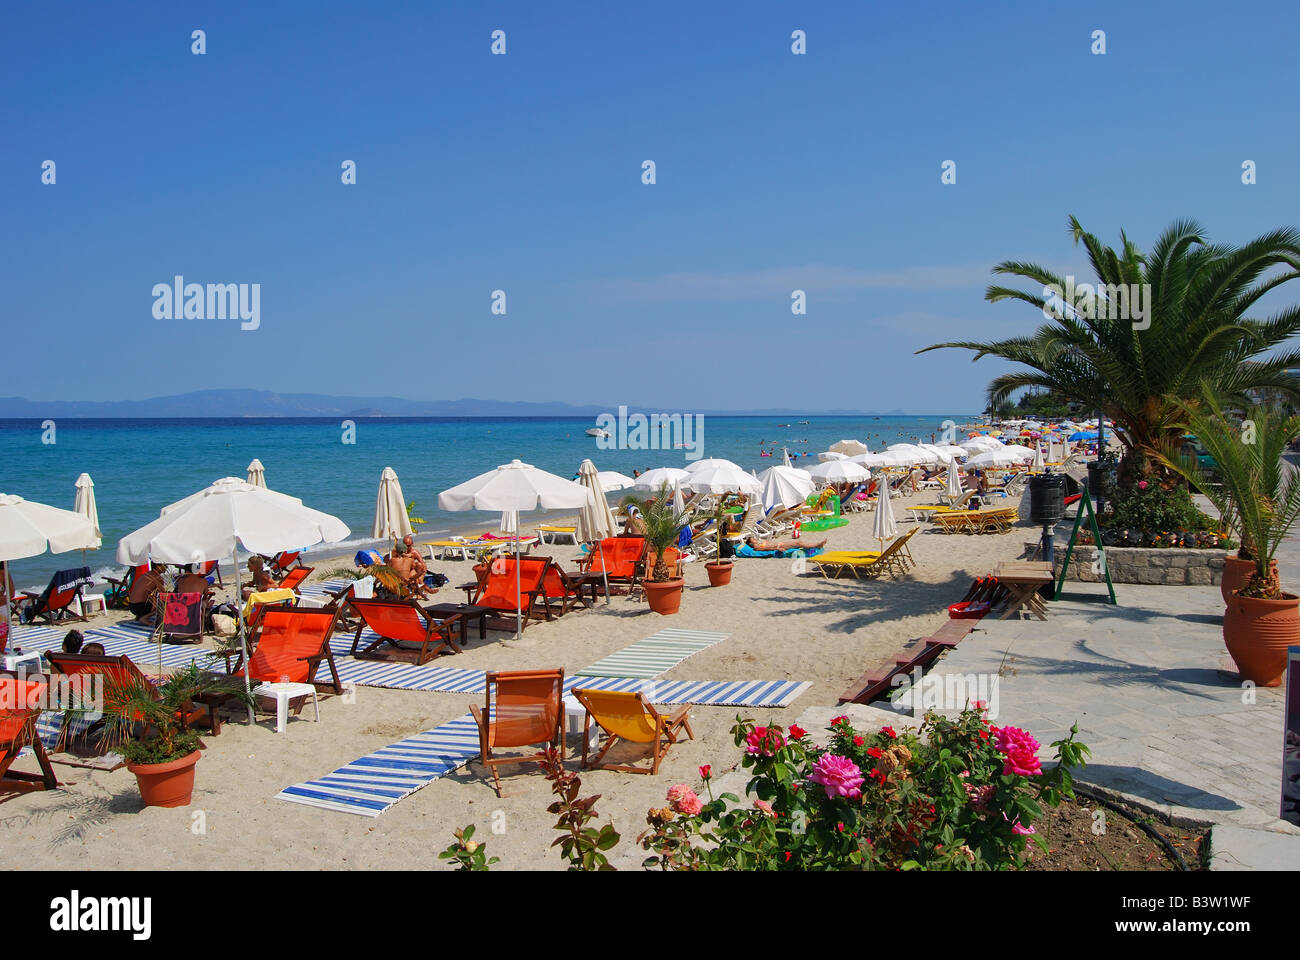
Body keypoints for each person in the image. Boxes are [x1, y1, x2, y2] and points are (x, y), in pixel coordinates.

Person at [744, 534, 827, 553]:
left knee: (799, 542)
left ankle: (817, 544)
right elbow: (766, 549)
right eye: (753, 539)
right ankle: (817, 545)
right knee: (799, 543)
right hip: (780, 546)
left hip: (780, 543)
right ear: (751, 543)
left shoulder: (758, 543)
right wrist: (777, 548)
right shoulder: (756, 546)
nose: (755, 539)